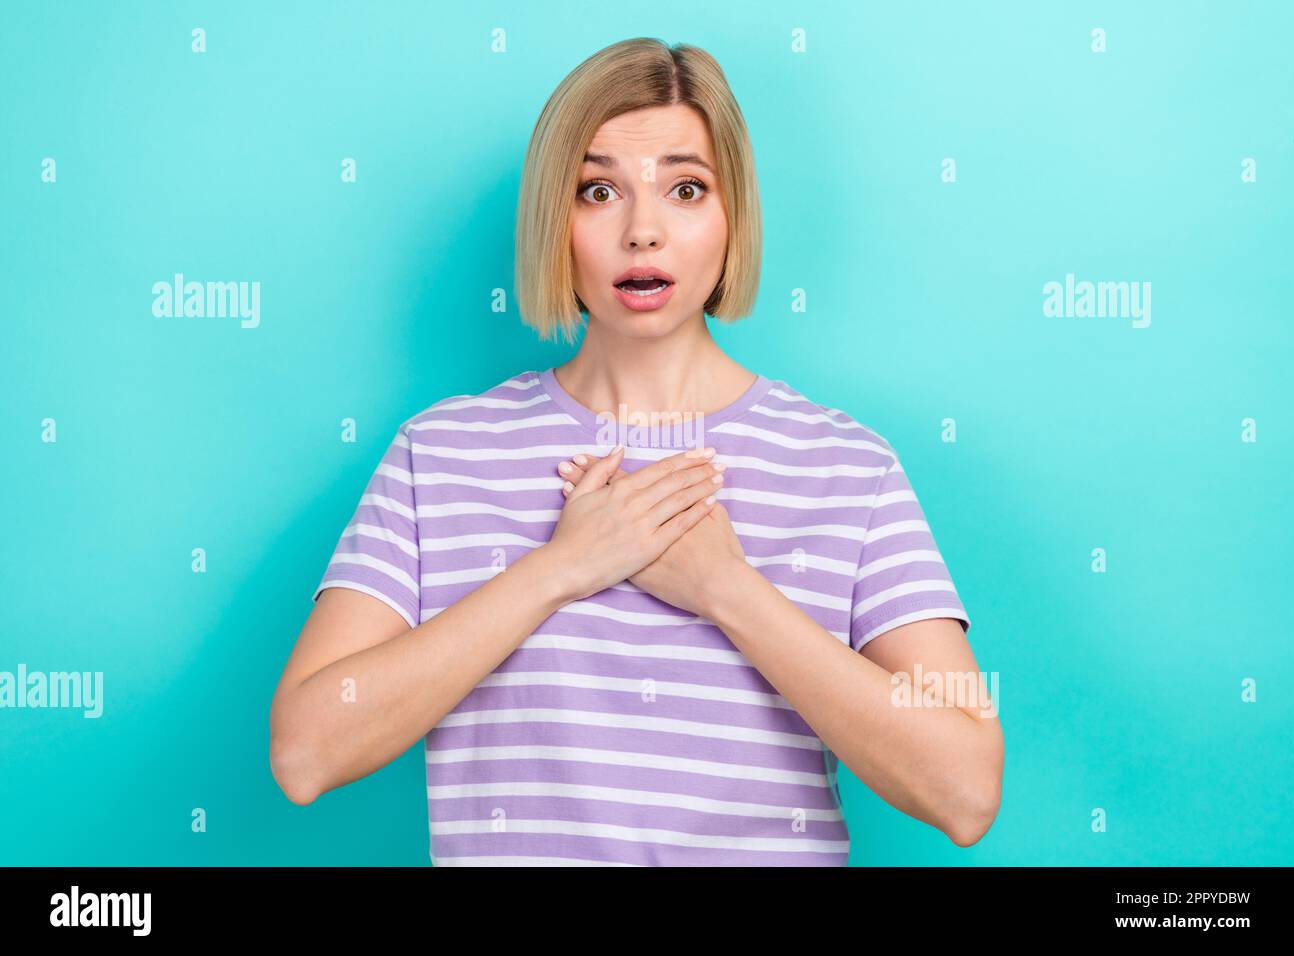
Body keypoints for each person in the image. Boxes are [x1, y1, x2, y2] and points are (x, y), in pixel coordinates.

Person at [270, 37, 1003, 866]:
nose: (642, 231)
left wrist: (729, 591)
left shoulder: (846, 467)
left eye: (685, 189)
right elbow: (306, 751)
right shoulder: (439, 454)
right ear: (557, 217)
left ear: (733, 217)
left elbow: (966, 789)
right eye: (598, 190)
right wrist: (561, 569)